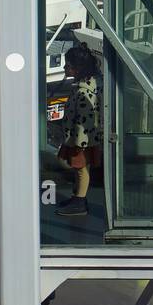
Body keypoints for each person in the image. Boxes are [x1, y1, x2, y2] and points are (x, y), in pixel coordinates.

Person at [55, 44, 102, 217]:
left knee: (82, 169)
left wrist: (80, 144)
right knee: (80, 169)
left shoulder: (84, 91)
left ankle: (80, 202)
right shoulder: (88, 85)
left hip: (81, 139)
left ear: (78, 68)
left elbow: (86, 119)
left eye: (68, 65)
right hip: (80, 138)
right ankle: (77, 197)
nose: (65, 67)